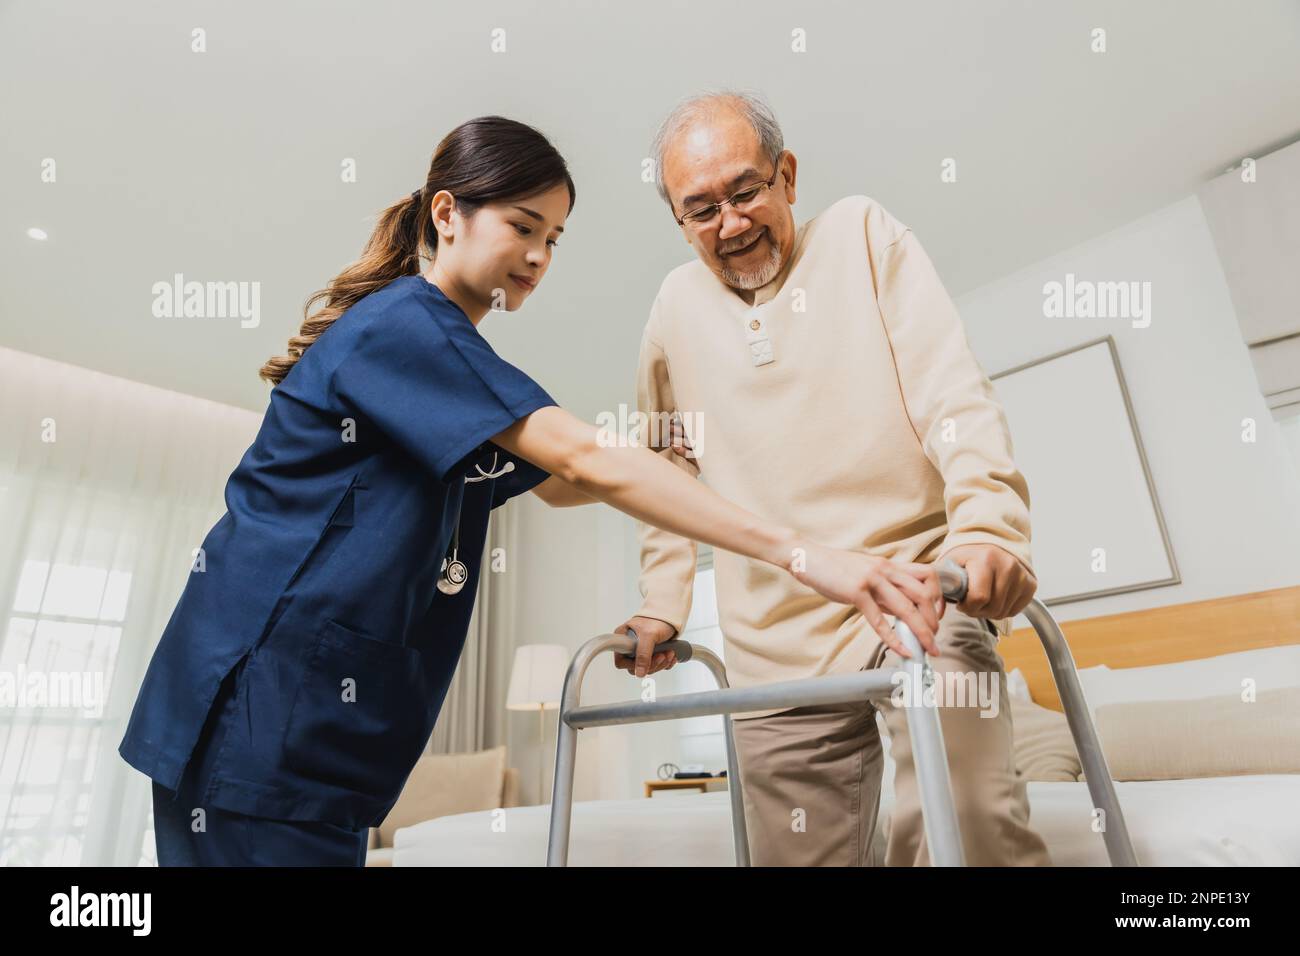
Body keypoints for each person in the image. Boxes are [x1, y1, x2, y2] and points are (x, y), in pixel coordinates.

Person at [119, 115, 947, 866]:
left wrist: (687, 435)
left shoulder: (449, 363)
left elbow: (558, 485)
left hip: (322, 735)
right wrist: (807, 556)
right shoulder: (403, 327)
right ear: (446, 214)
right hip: (261, 710)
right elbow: (584, 460)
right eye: (523, 227)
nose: (540, 258)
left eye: (554, 238)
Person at [612, 91, 1053, 866]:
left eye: (746, 192)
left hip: (912, 596)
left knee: (970, 818)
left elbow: (953, 396)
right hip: (772, 646)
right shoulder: (674, 308)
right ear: (679, 223)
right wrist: (662, 607)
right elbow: (662, 466)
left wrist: (988, 529)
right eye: (702, 209)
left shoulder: (860, 235)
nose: (732, 223)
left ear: (786, 176)